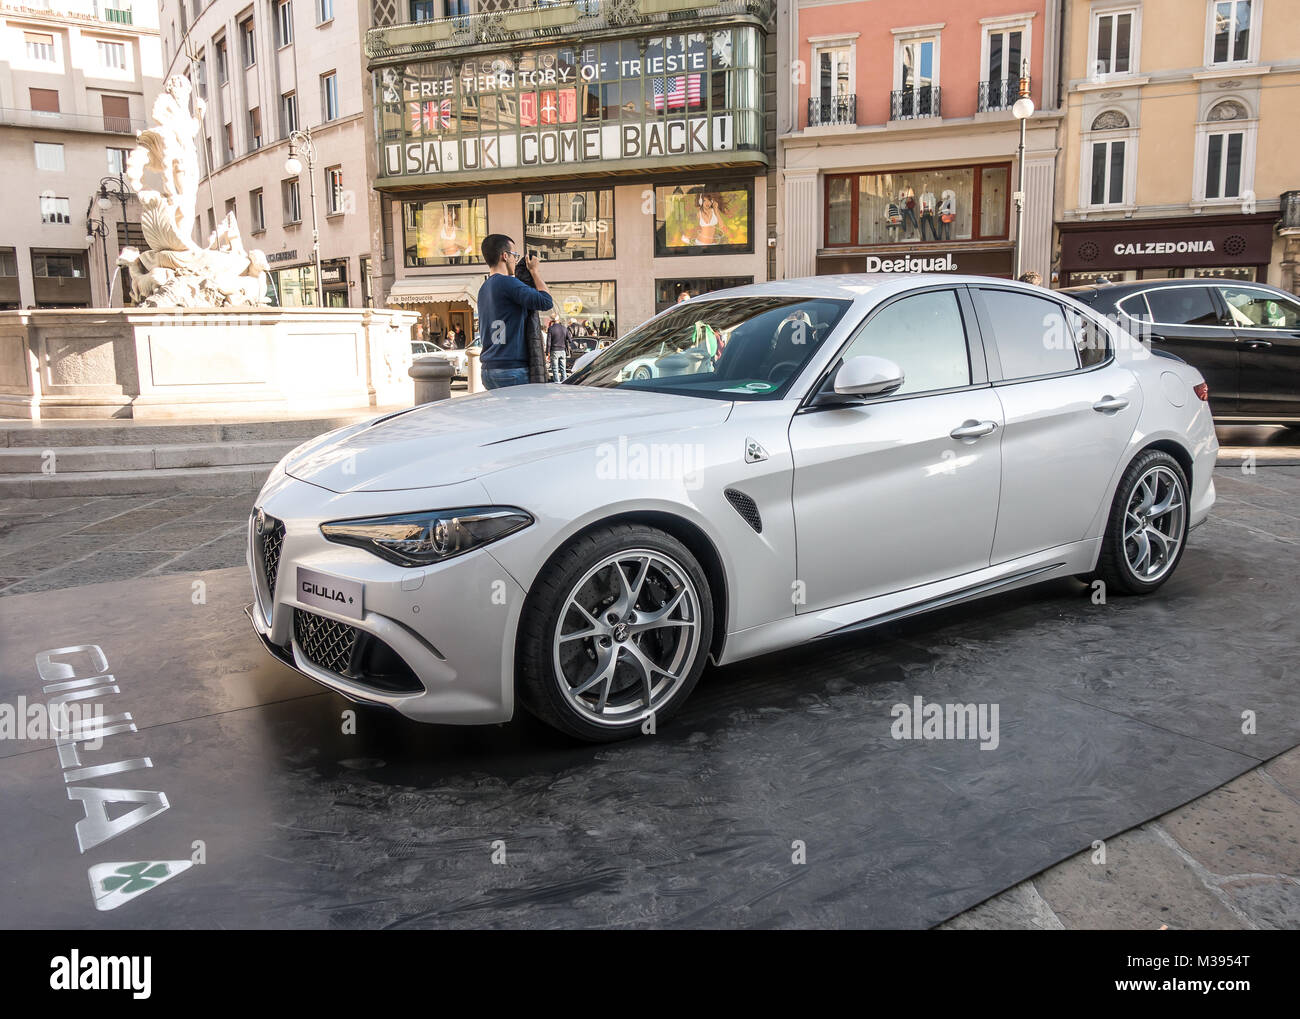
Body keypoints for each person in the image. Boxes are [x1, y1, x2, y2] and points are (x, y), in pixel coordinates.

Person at [476, 234, 553, 389]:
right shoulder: (508, 283)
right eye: (514, 256)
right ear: (505, 256)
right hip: (511, 369)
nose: (515, 260)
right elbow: (546, 301)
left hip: (488, 369)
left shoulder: (484, 288)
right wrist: (535, 271)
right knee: (524, 413)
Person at [546, 315, 571, 383]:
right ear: (559, 320)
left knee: (555, 368)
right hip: (562, 350)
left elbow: (548, 342)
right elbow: (570, 339)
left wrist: (547, 352)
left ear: (552, 321)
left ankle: (557, 382)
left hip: (554, 350)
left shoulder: (551, 328)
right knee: (563, 368)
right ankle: (564, 381)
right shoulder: (564, 328)